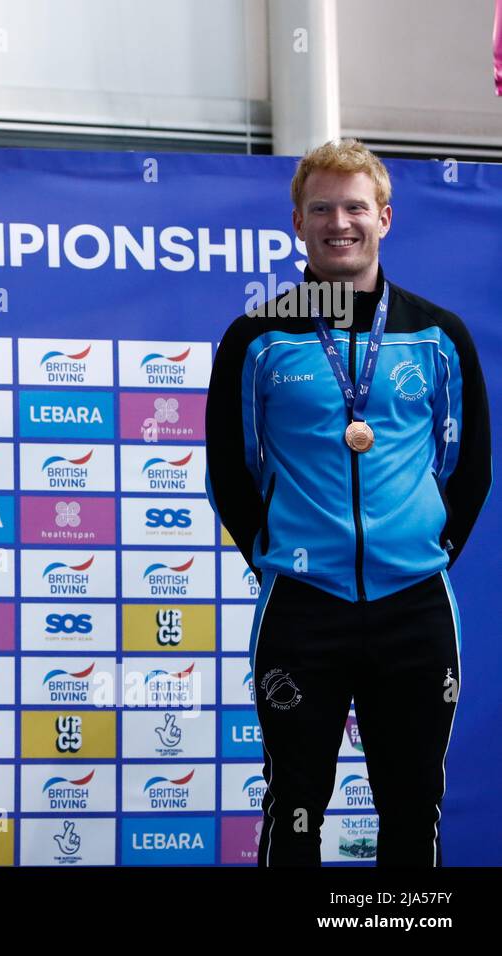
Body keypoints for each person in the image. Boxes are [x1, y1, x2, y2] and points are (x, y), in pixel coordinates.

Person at [206, 139, 491, 866]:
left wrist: (418, 551)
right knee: (296, 802)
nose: (341, 222)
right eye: (321, 208)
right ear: (297, 223)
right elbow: (230, 474)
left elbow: (471, 469)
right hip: (304, 605)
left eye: (355, 206)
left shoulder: (439, 335)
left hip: (415, 606)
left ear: (385, 218)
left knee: (412, 801)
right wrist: (283, 555)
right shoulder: (256, 336)